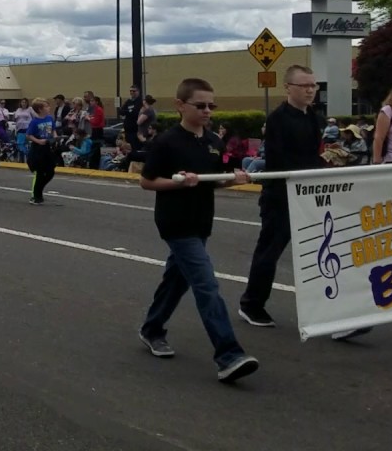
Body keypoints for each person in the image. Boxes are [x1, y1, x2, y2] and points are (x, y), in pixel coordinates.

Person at [138, 77, 258, 384]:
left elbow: (214, 181)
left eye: (211, 106)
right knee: (206, 285)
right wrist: (178, 182)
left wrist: (234, 179)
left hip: (202, 221)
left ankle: (152, 329)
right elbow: (147, 181)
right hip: (176, 223)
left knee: (176, 280)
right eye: (200, 105)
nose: (207, 111)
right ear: (180, 105)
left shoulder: (213, 142)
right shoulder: (167, 142)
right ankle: (228, 355)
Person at [238, 65, 323, 329]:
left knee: (323, 249)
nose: (310, 90)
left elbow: (313, 155)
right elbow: (278, 160)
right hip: (280, 195)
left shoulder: (313, 116)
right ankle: (252, 304)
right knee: (269, 251)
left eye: (313, 85)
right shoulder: (278, 119)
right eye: (304, 85)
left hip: (309, 194)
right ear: (288, 87)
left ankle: (329, 308)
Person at [26, 98, 57, 204]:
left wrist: (55, 137)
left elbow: (52, 130)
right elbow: (29, 135)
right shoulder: (35, 122)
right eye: (46, 106)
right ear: (40, 109)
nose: (49, 108)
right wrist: (38, 141)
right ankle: (36, 196)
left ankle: (39, 190)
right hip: (38, 148)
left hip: (47, 146)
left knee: (50, 171)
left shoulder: (49, 118)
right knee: (40, 172)